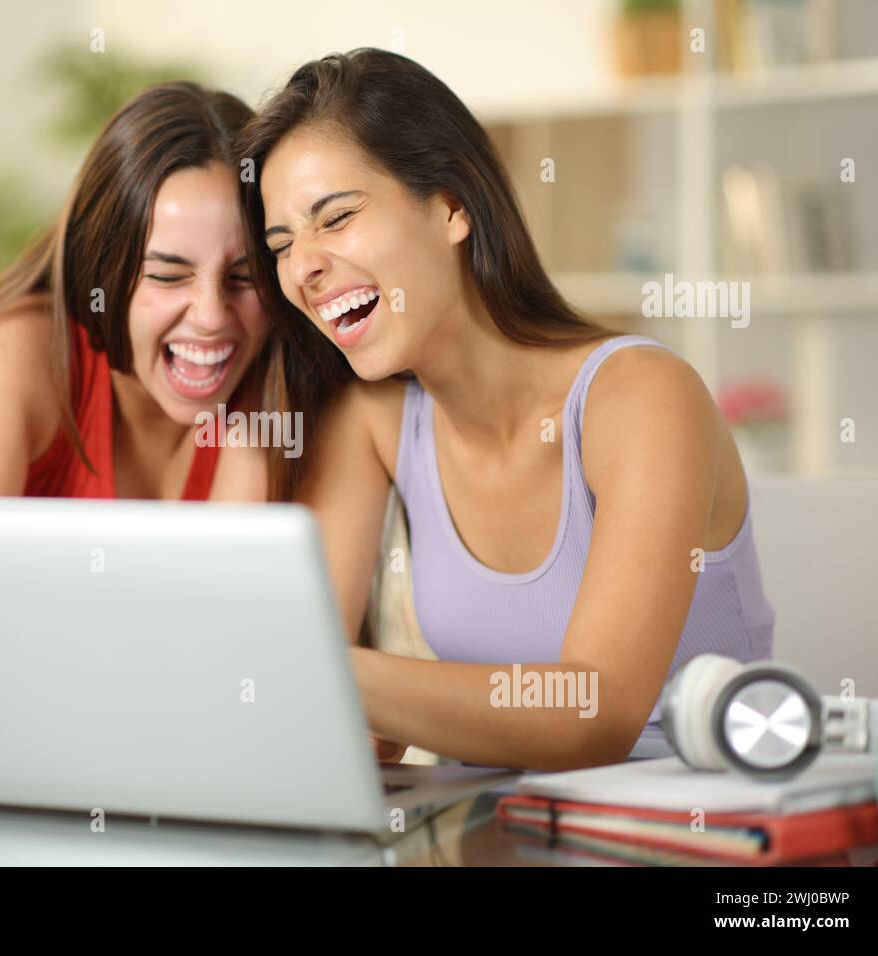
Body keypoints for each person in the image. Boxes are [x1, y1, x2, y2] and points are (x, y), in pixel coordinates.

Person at [239, 49, 775, 770]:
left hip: (696, 836)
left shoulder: (643, 397)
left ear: (453, 208)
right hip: (493, 834)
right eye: (281, 244)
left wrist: (334, 675)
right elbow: (301, 692)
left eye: (335, 218)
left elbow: (596, 713)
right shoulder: (375, 419)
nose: (302, 267)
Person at [0, 82, 271, 696]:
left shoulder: (267, 378)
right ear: (101, 267)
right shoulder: (15, 361)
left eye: (245, 275)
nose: (211, 315)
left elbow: (227, 649)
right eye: (168, 274)